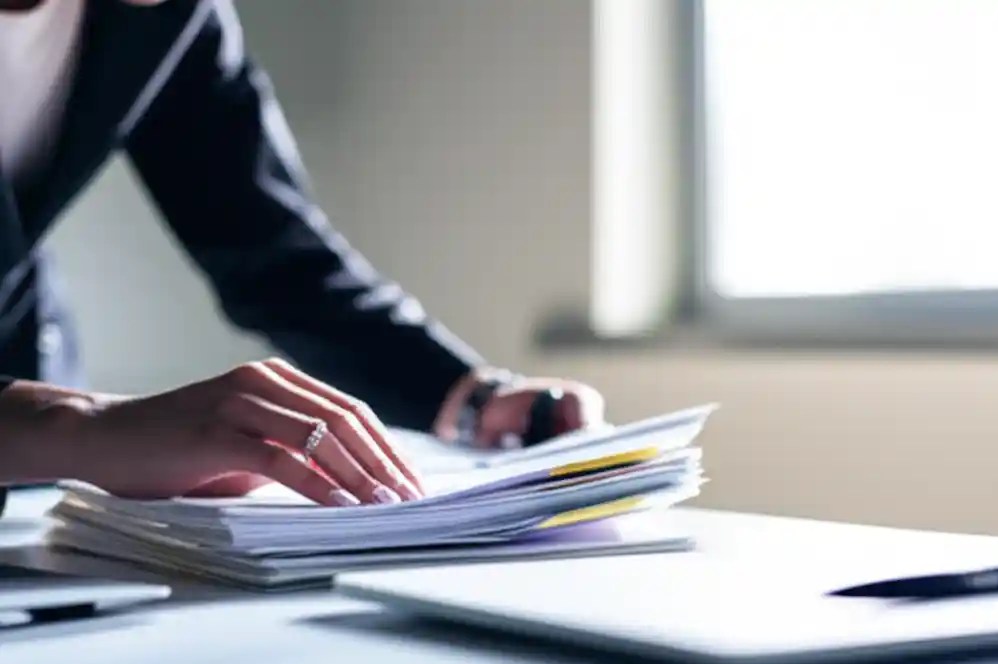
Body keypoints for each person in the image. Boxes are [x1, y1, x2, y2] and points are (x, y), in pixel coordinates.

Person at [0, 0, 604, 508]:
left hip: (33, 477)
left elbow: (270, 250)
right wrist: (77, 427)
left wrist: (469, 398)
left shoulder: (165, 14)